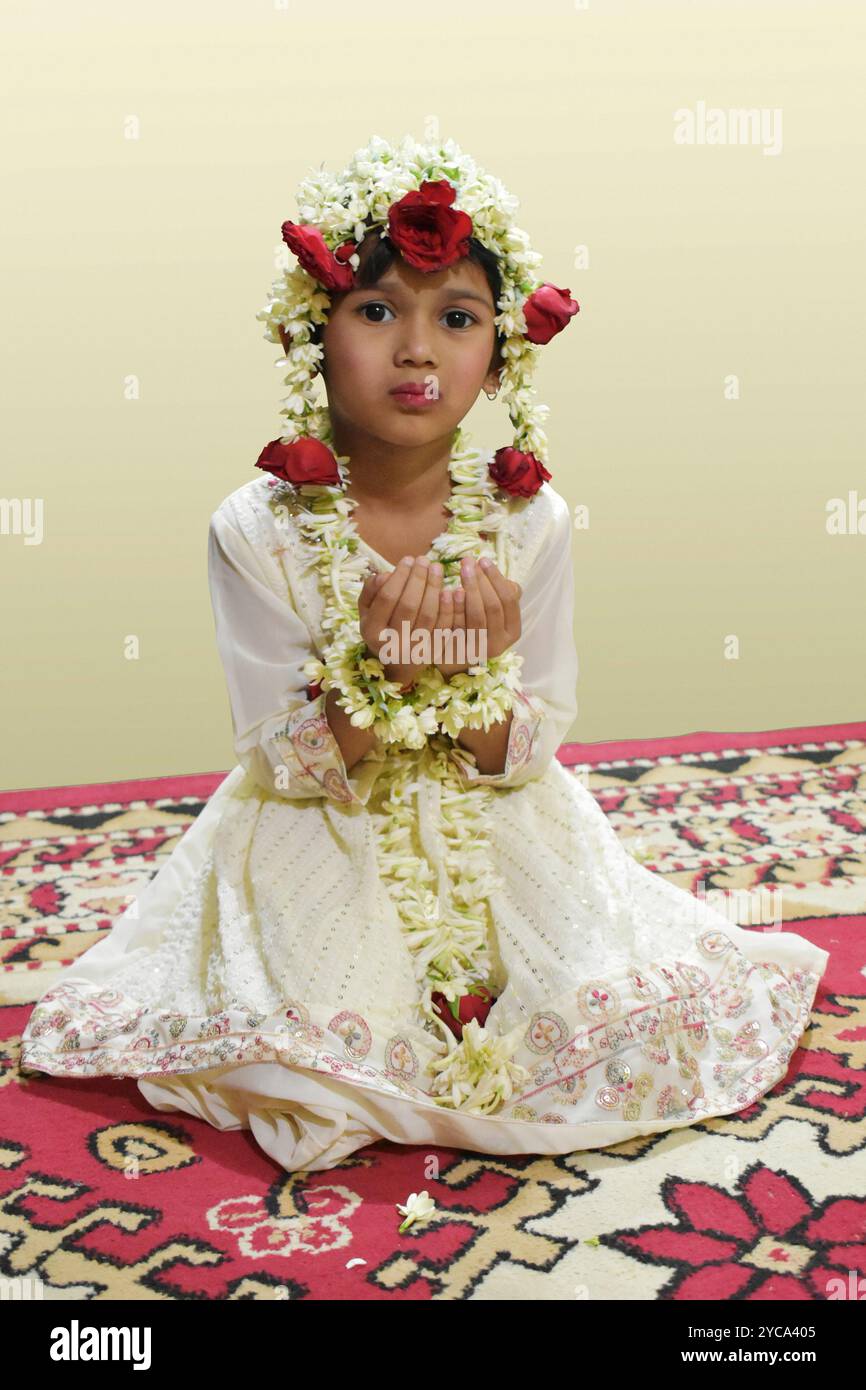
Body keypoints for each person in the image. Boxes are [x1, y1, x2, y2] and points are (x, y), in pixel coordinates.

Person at [20, 135, 829, 1173]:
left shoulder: (529, 523)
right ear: (311, 332)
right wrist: (389, 673)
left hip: (501, 820)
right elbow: (284, 760)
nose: (416, 350)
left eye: (455, 318)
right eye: (375, 310)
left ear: (500, 355)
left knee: (622, 1011)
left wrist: (467, 677)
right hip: (321, 820)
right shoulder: (255, 528)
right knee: (305, 1063)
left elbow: (529, 745)